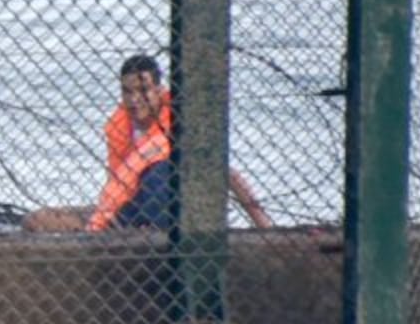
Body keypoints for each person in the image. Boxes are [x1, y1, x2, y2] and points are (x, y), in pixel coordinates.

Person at [22, 54, 274, 233]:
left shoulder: (180, 121)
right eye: (127, 92)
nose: (134, 100)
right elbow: (117, 183)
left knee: (159, 172)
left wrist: (263, 224)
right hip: (129, 209)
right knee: (37, 221)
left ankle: (155, 232)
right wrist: (101, 220)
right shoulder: (118, 127)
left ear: (159, 90)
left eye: (143, 90)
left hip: (171, 211)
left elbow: (224, 171)